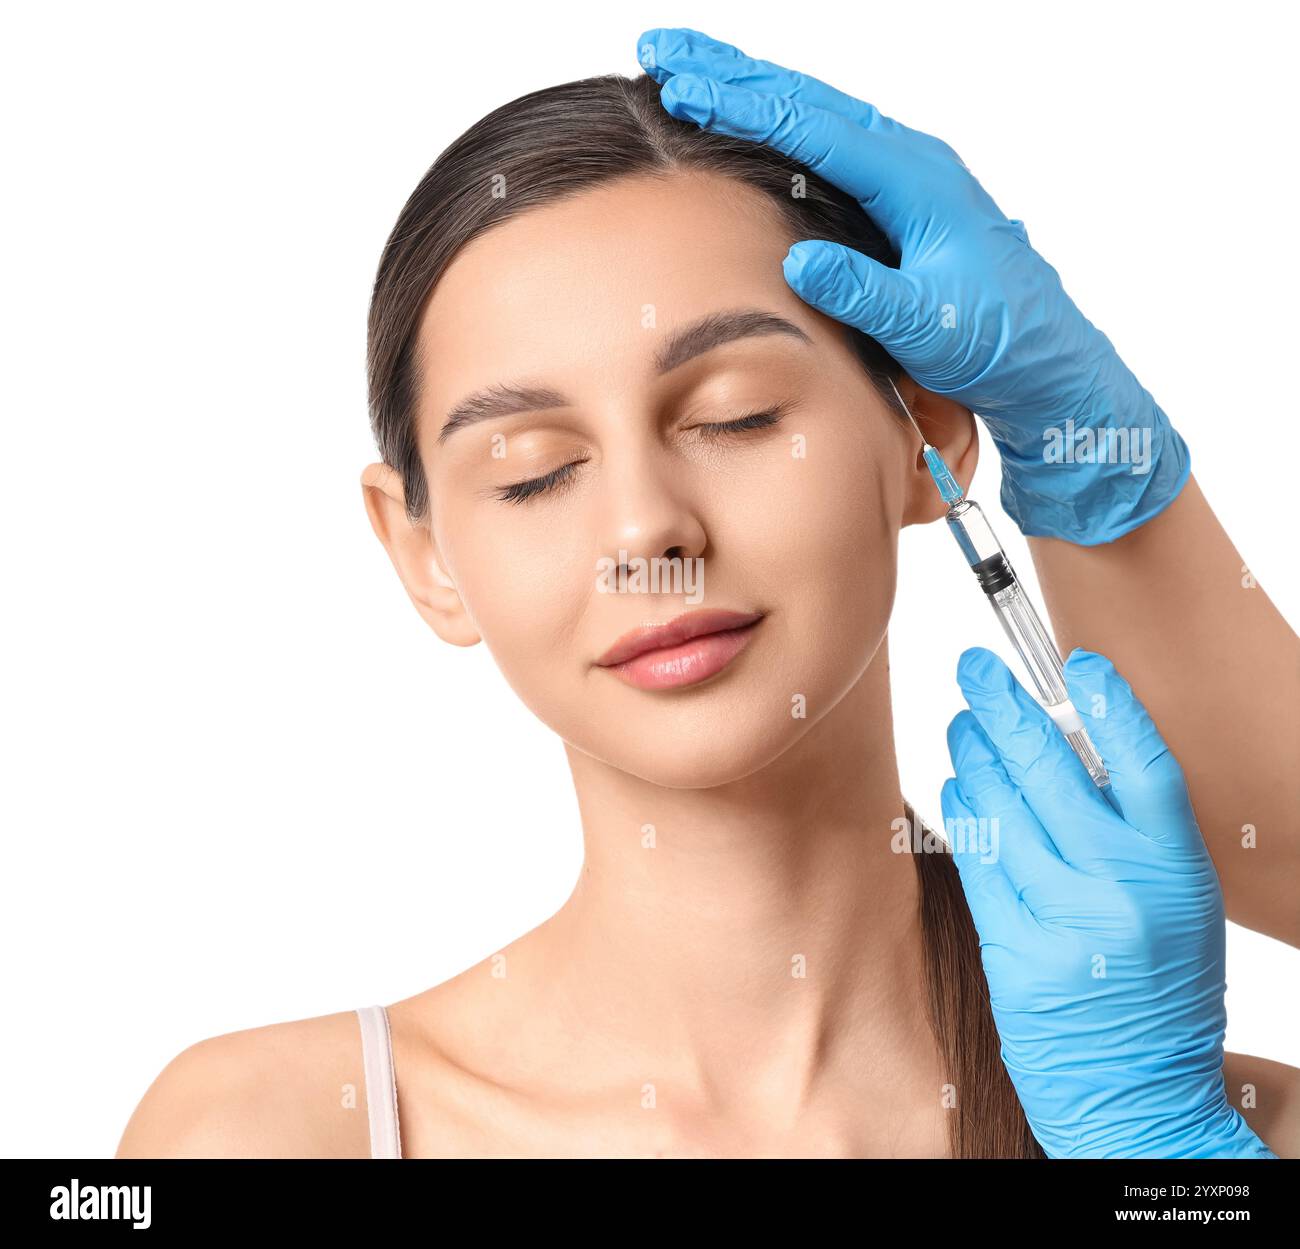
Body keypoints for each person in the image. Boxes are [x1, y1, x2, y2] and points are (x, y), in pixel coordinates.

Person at [116, 47, 1298, 1158]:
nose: (645, 532)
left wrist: (1161, 1168)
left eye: (734, 416)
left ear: (923, 429)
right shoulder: (271, 1132)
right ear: (421, 553)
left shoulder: (1206, 1127)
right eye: (533, 471)